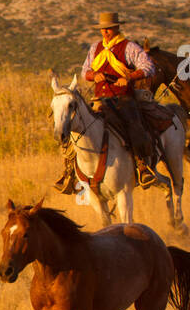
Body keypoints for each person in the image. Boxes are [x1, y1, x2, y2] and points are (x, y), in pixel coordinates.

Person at [55, 11, 159, 193]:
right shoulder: (95, 48)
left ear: (117, 28)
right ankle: (70, 172)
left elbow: (148, 66)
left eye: (109, 29)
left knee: (133, 125)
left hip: (123, 99)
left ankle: (142, 166)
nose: (105, 32)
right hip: (100, 99)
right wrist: (94, 75)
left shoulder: (129, 47)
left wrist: (129, 77)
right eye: (103, 29)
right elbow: (84, 72)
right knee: (76, 125)